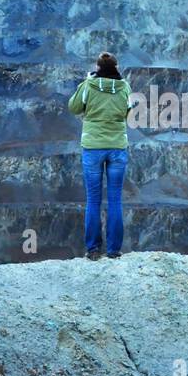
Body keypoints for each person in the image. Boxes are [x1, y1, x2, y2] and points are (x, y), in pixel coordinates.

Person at [68, 52, 130, 259]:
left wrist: (85, 82)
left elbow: (73, 107)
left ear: (98, 67)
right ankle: (113, 250)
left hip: (93, 147)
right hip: (117, 147)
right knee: (115, 200)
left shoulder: (88, 86)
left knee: (93, 200)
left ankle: (93, 249)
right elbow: (125, 112)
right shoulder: (125, 87)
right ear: (116, 67)